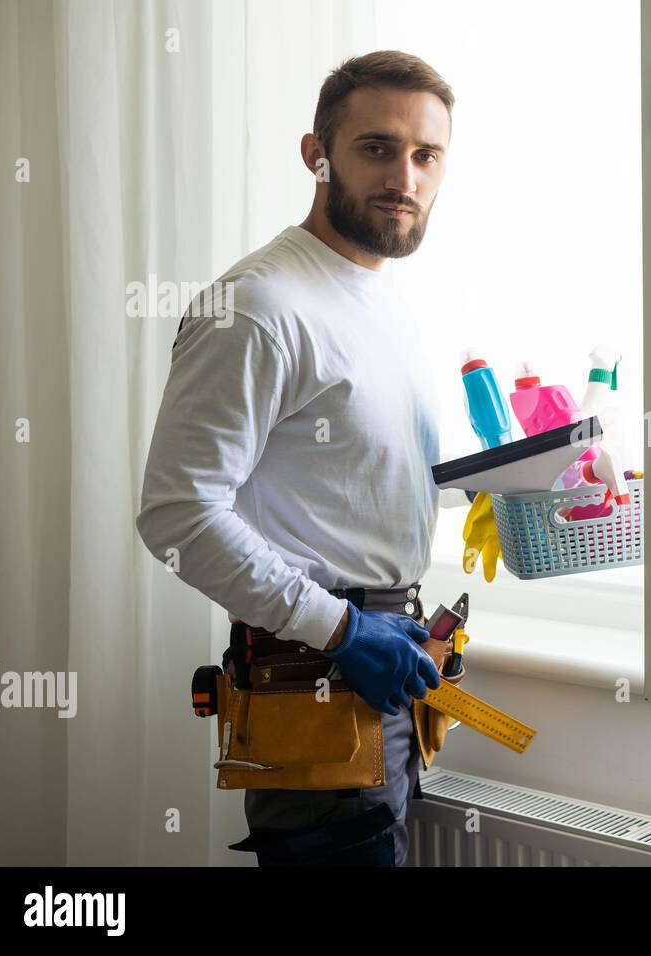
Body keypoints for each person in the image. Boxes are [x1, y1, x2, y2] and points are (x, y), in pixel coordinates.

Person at [135, 50, 455, 866]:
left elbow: (349, 484)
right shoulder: (257, 306)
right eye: (377, 148)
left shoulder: (382, 300)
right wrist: (343, 629)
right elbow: (177, 514)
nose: (405, 178)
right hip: (316, 673)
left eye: (427, 155)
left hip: (386, 667)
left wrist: (501, 487)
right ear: (316, 153)